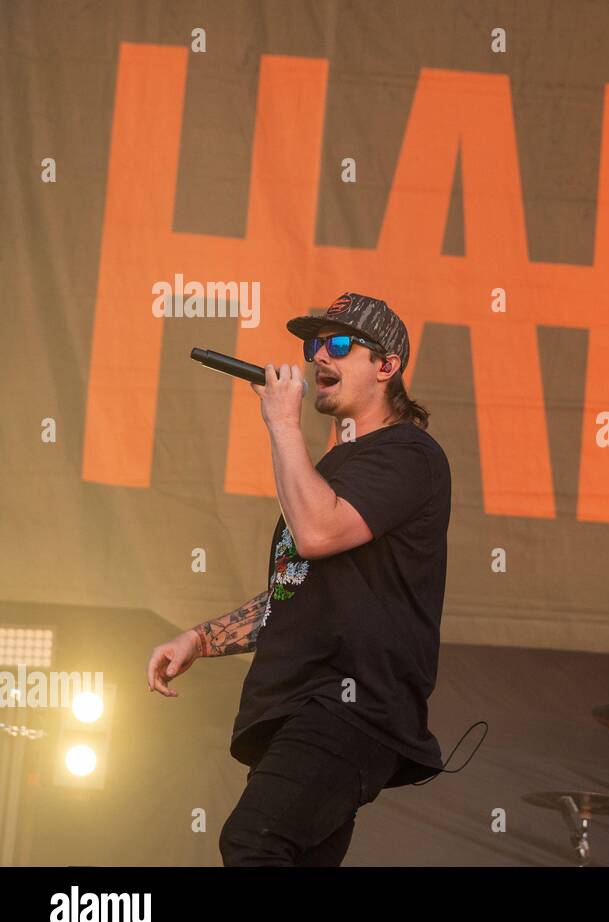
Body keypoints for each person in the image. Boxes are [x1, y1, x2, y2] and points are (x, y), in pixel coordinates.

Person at [145, 292, 451, 866]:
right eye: (313, 345)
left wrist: (282, 422)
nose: (318, 358)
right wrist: (203, 637)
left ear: (387, 366)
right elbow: (297, 585)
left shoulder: (410, 454)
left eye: (339, 345)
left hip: (348, 706)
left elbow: (314, 534)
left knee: (252, 844)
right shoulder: (329, 471)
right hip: (302, 705)